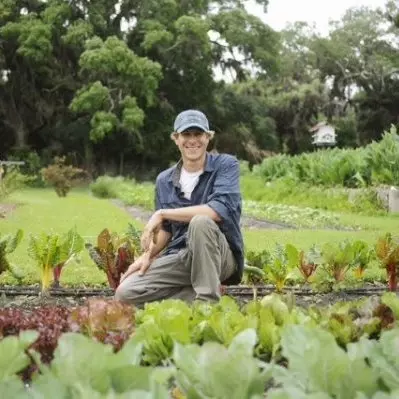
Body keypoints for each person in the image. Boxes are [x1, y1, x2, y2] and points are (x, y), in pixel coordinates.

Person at [115, 109, 244, 307]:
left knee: (200, 222)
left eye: (198, 134)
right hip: (181, 256)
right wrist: (147, 255)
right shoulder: (164, 180)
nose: (192, 140)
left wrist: (162, 213)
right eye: (186, 134)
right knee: (125, 293)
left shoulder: (225, 165)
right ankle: (193, 296)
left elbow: (218, 210)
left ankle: (207, 305)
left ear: (208, 137)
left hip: (219, 256)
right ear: (176, 138)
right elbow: (167, 229)